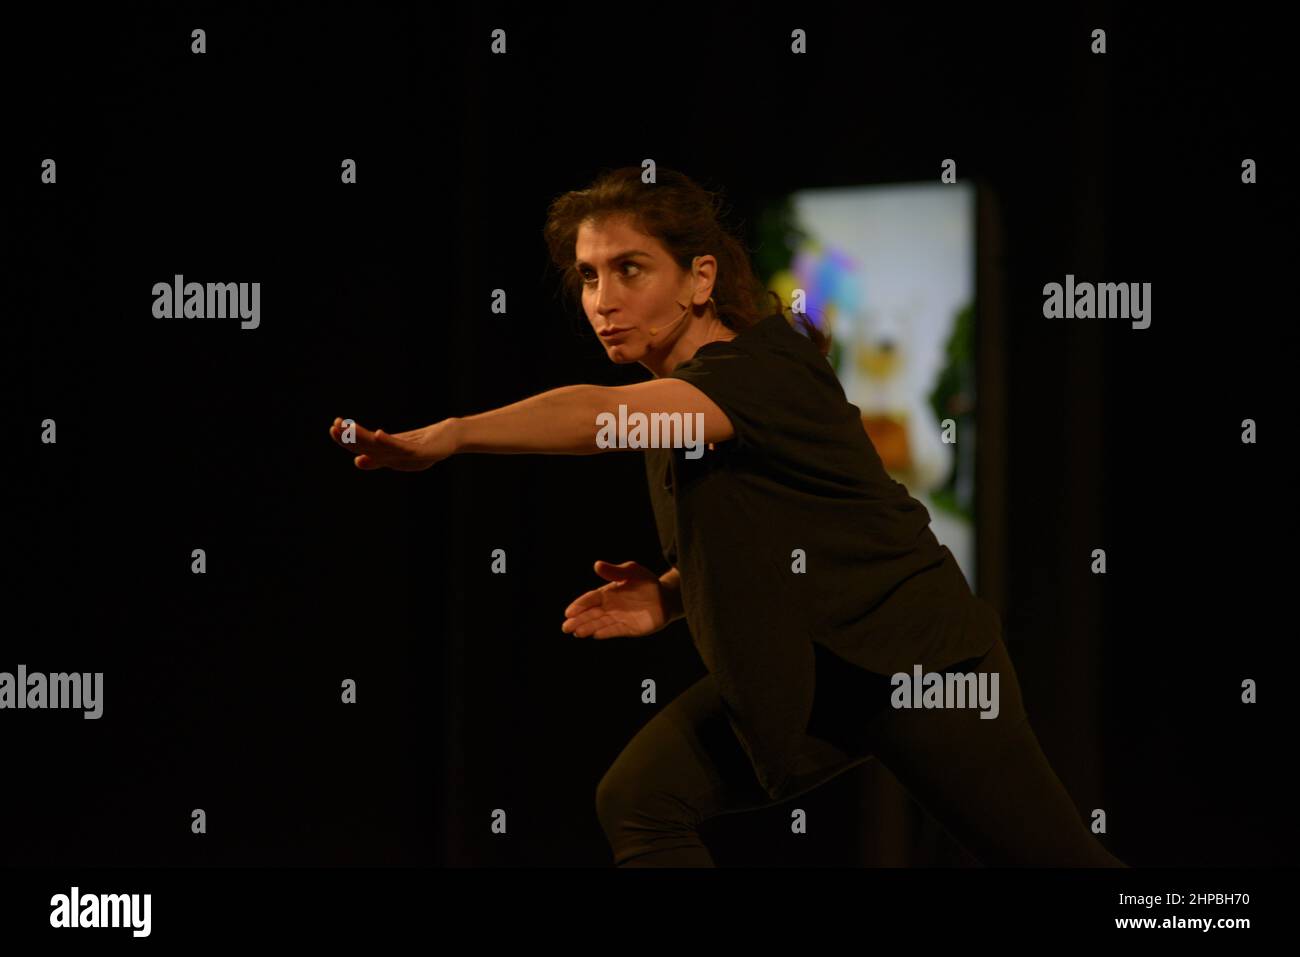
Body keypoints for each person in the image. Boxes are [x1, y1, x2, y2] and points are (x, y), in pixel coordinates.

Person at [327, 167, 1127, 868]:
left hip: (922, 669)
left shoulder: (757, 371)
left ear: (699, 277)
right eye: (588, 275)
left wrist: (454, 434)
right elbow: (788, 525)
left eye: (629, 269)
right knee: (638, 797)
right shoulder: (686, 387)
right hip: (813, 676)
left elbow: (599, 419)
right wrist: (675, 592)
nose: (602, 300)